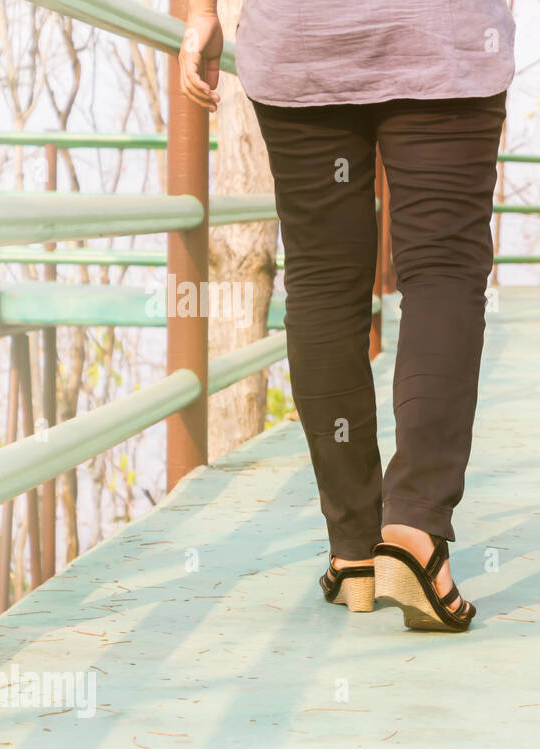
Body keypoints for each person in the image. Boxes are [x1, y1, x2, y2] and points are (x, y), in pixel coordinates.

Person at [178, 1, 515, 632]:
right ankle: (413, 528)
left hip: (303, 45)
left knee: (324, 280)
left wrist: (201, 13)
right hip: (441, 38)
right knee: (442, 270)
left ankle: (355, 549)